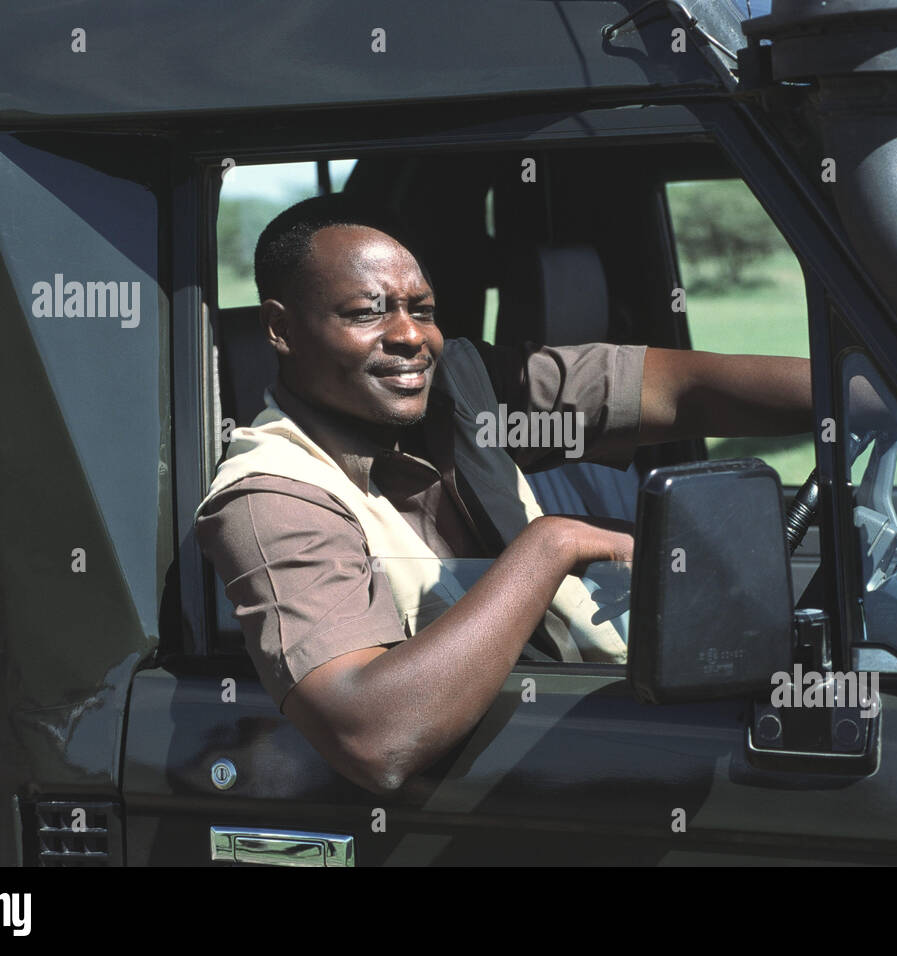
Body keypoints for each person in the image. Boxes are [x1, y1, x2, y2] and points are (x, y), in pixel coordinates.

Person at [196, 196, 814, 793]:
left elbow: (684, 390)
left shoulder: (465, 384)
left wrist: (865, 387)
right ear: (281, 328)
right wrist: (553, 543)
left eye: (424, 309)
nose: (411, 336)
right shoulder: (271, 495)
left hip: (615, 732)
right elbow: (375, 740)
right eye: (366, 313)